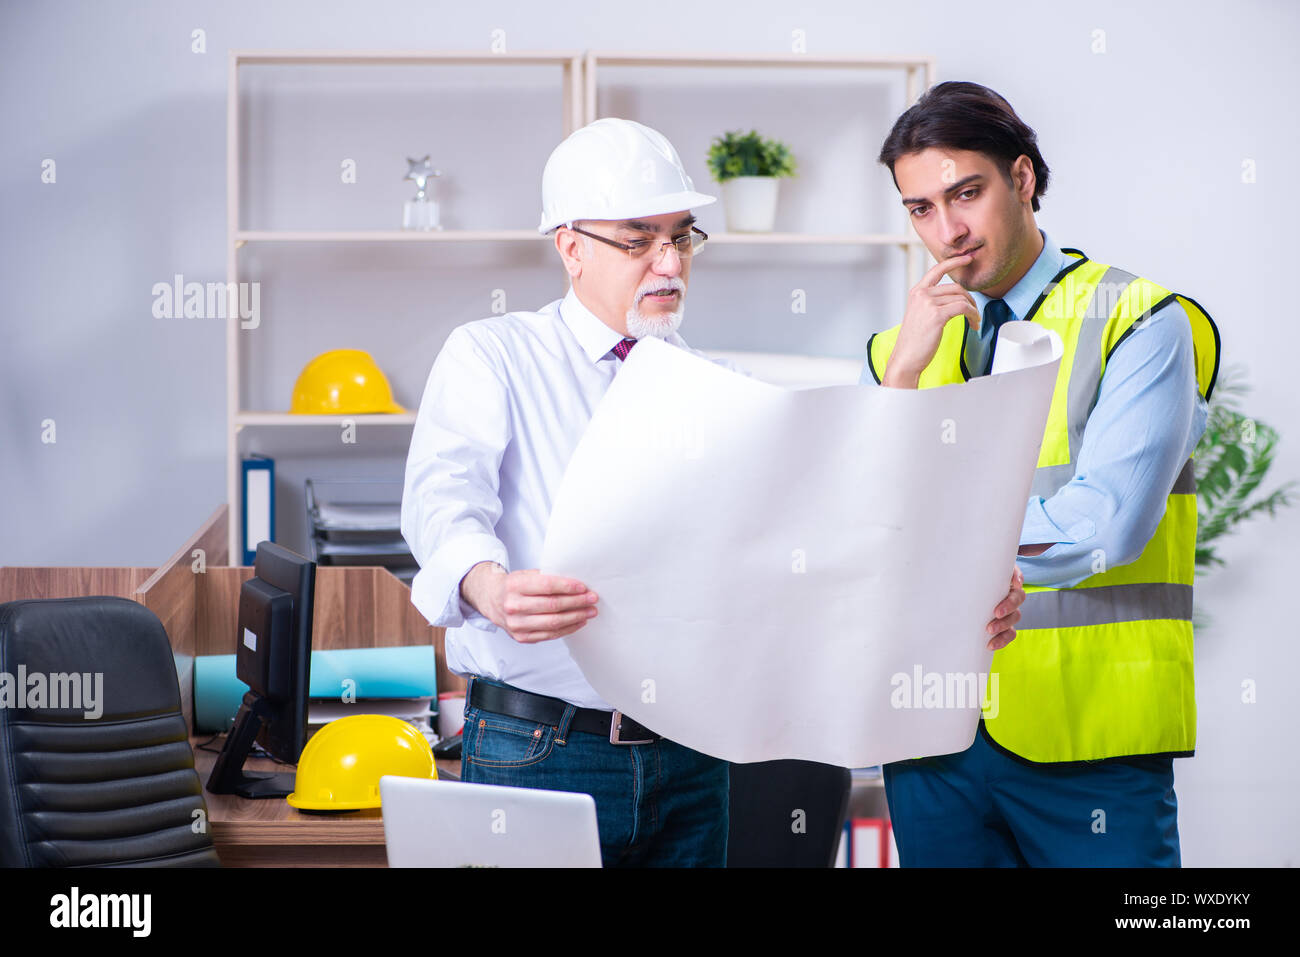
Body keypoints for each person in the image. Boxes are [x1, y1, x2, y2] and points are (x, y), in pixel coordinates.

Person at [401, 117, 1026, 867]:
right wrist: (489, 586)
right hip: (542, 748)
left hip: (691, 752)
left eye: (682, 236)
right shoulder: (494, 356)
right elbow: (442, 507)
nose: (668, 262)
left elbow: (827, 524)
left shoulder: (716, 387)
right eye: (638, 240)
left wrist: (959, 591)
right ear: (570, 247)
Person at [863, 81, 1220, 867]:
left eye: (966, 193)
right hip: (931, 735)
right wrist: (902, 376)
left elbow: (1110, 521)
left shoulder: (1140, 320)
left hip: (1089, 741)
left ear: (1022, 179)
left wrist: (947, 545)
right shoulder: (900, 350)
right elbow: (852, 520)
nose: (948, 230)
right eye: (921, 208)